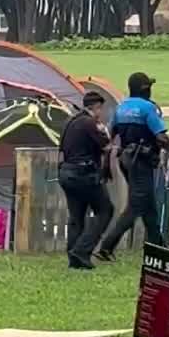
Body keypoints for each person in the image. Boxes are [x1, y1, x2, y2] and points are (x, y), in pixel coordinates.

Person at [98, 72, 169, 256]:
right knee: (136, 206)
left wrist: (106, 165)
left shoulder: (121, 108)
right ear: (145, 89)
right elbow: (161, 137)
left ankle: (158, 248)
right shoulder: (148, 108)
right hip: (142, 161)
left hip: (126, 161)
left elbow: (109, 138)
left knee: (149, 206)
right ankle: (106, 247)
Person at [57, 90, 114, 270]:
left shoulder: (70, 121)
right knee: (105, 210)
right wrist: (104, 131)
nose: (101, 113)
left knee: (76, 217)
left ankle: (73, 258)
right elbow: (106, 146)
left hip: (66, 173)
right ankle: (82, 251)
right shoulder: (90, 123)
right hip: (84, 174)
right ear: (96, 108)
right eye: (101, 109)